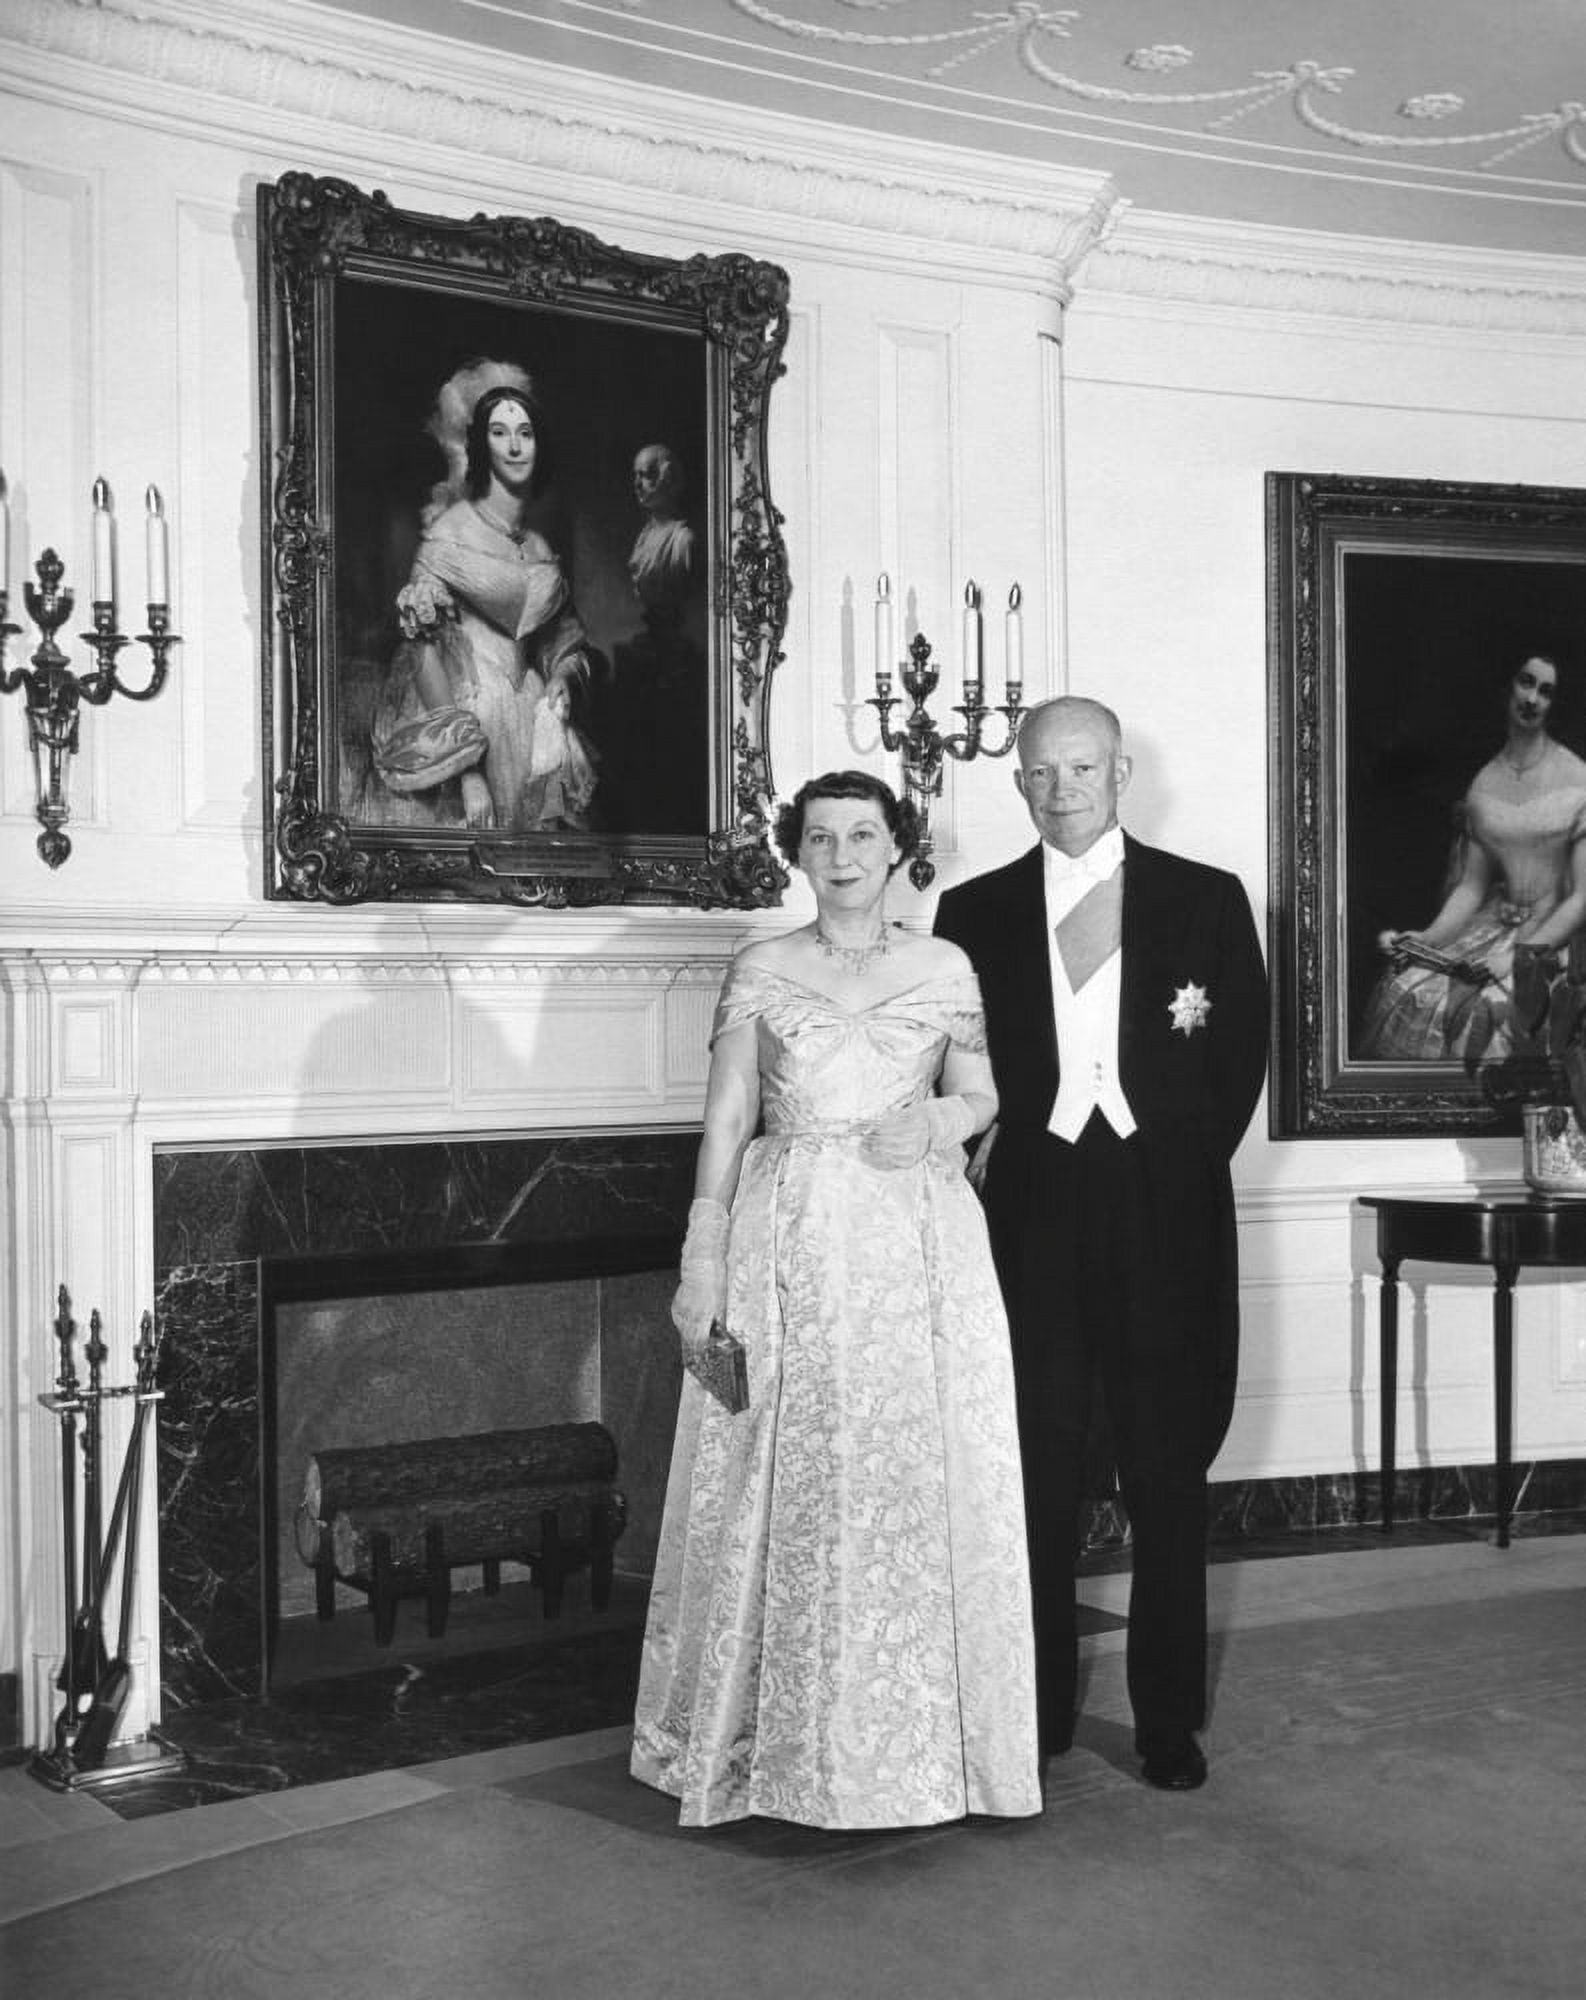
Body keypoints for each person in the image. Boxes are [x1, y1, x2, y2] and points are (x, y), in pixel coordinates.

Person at [631, 769, 1041, 1829]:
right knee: (795, 1477)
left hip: (917, 1246)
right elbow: (724, 1119)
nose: (844, 853)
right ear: (797, 853)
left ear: (896, 844)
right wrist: (701, 1256)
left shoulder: (944, 962)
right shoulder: (762, 965)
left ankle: (924, 1758)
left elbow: (986, 1089)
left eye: (863, 832)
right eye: (821, 837)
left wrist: (943, 1125)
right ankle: (769, 1756)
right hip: (793, 1242)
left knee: (909, 1474)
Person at [934, 696, 1267, 1792]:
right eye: (1041, 772)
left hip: (1162, 1213)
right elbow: (955, 1069)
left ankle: (1167, 1721)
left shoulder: (1203, 897)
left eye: (1082, 767)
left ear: (1120, 771)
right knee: (1029, 1466)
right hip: (1030, 1212)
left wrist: (1163, 1166)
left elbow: (1240, 1060)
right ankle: (1030, 1715)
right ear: (1018, 782)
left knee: (1167, 1472)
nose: (1062, 788)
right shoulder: (970, 910)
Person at [369, 359, 600, 831]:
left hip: (532, 717)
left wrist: (560, 678)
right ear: (482, 445)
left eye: (525, 433)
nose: (515, 446)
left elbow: (567, 641)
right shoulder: (450, 532)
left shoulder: (540, 547)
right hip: (469, 719)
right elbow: (422, 652)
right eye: (500, 432)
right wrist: (467, 771)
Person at [1359, 653, 1586, 1061]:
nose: (1532, 698)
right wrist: (1429, 939)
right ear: (1508, 687)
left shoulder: (1577, 777)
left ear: (1556, 703)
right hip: (1494, 926)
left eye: (1546, 691)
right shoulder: (1484, 782)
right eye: (1526, 682)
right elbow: (1471, 887)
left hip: (1556, 936)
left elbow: (1581, 897)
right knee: (1406, 990)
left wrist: (1520, 958)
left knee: (1496, 1014)